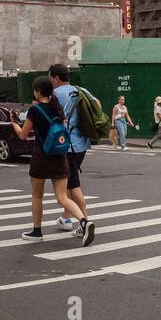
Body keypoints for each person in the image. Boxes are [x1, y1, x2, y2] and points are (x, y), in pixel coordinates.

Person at [15, 76, 90, 242]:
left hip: (41, 156)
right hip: (60, 155)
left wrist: (14, 125)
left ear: (38, 91)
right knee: (62, 197)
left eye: (34, 90)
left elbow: (23, 135)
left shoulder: (34, 110)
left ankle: (36, 232)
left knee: (37, 196)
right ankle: (84, 221)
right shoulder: (58, 108)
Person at [49, 63, 96, 245]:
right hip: (81, 143)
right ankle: (65, 218)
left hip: (64, 145)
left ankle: (85, 221)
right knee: (68, 182)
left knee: (72, 184)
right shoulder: (80, 90)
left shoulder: (56, 95)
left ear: (55, 78)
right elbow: (97, 104)